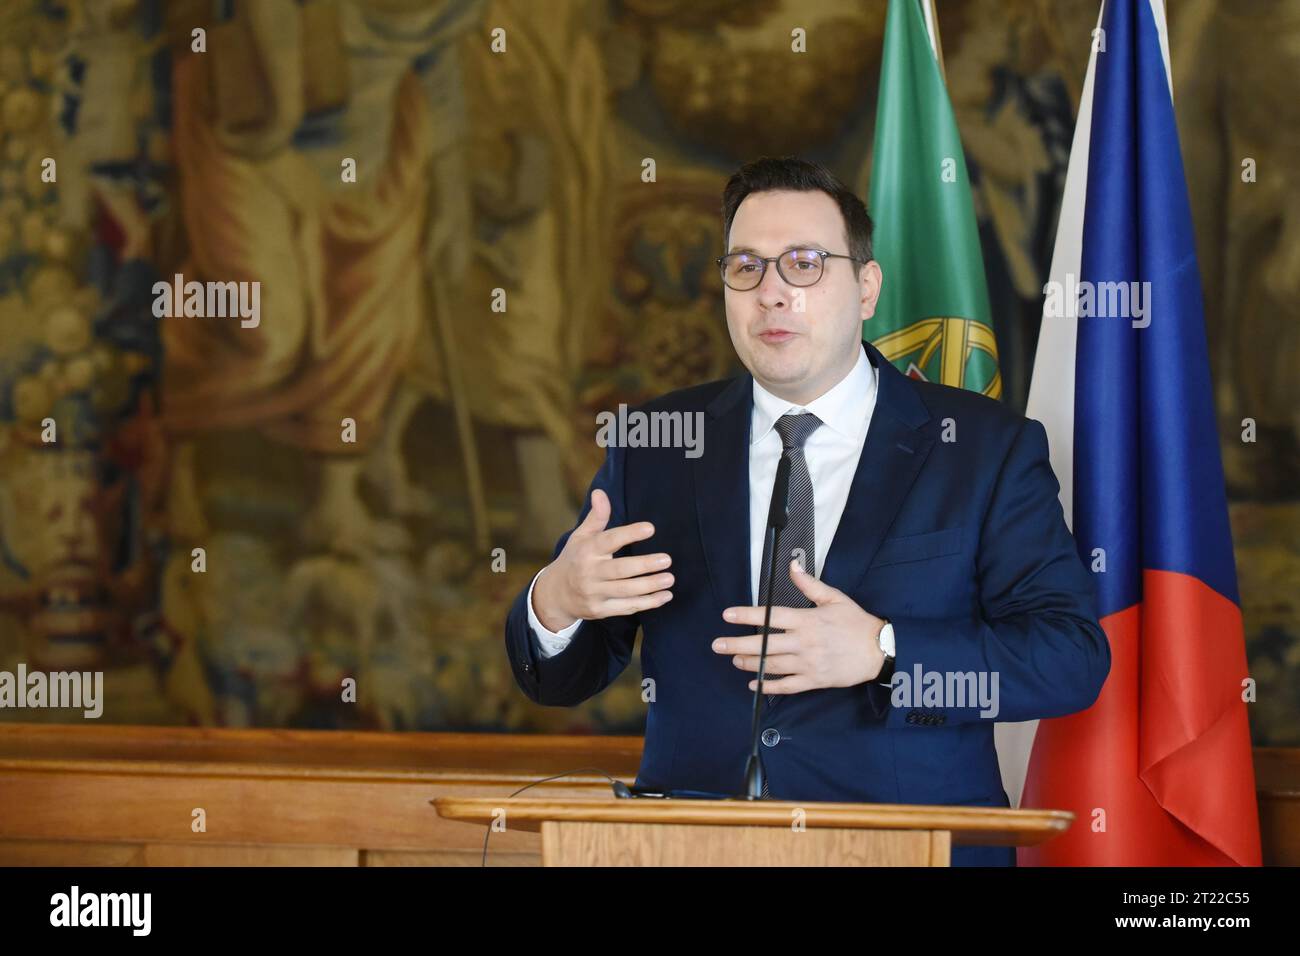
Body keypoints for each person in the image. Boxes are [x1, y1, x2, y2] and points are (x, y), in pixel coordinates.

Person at [503, 156, 1110, 866]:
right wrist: (557, 600)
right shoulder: (655, 444)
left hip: (914, 852)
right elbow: (562, 677)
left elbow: (1070, 659)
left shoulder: (983, 449)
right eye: (747, 268)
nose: (772, 294)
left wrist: (885, 651)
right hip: (690, 850)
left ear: (866, 287)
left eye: (804, 264)